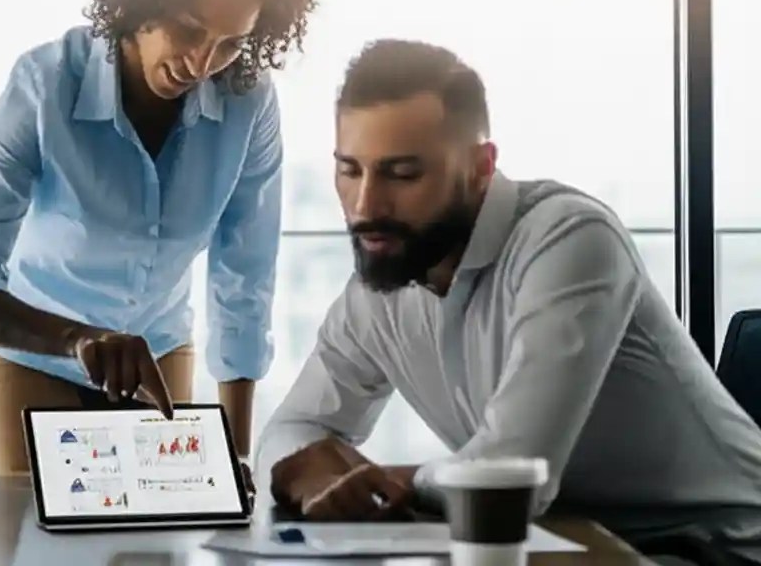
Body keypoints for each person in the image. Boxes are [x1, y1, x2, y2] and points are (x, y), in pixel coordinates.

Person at [257, 39, 761, 554]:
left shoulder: (569, 240)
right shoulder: (379, 290)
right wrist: (308, 475)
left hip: (712, 549)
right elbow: (292, 427)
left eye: (402, 174)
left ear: (480, 167)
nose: (366, 204)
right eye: (350, 170)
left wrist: (388, 481)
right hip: (559, 548)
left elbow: (517, 476)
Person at [0, 0, 320, 477]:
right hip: (32, 354)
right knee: (30, 542)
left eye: (229, 44)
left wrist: (234, 452)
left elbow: (243, 281)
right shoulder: (44, 84)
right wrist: (76, 339)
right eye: (189, 30)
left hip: (159, 353)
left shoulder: (248, 101)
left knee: (156, 544)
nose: (201, 62)